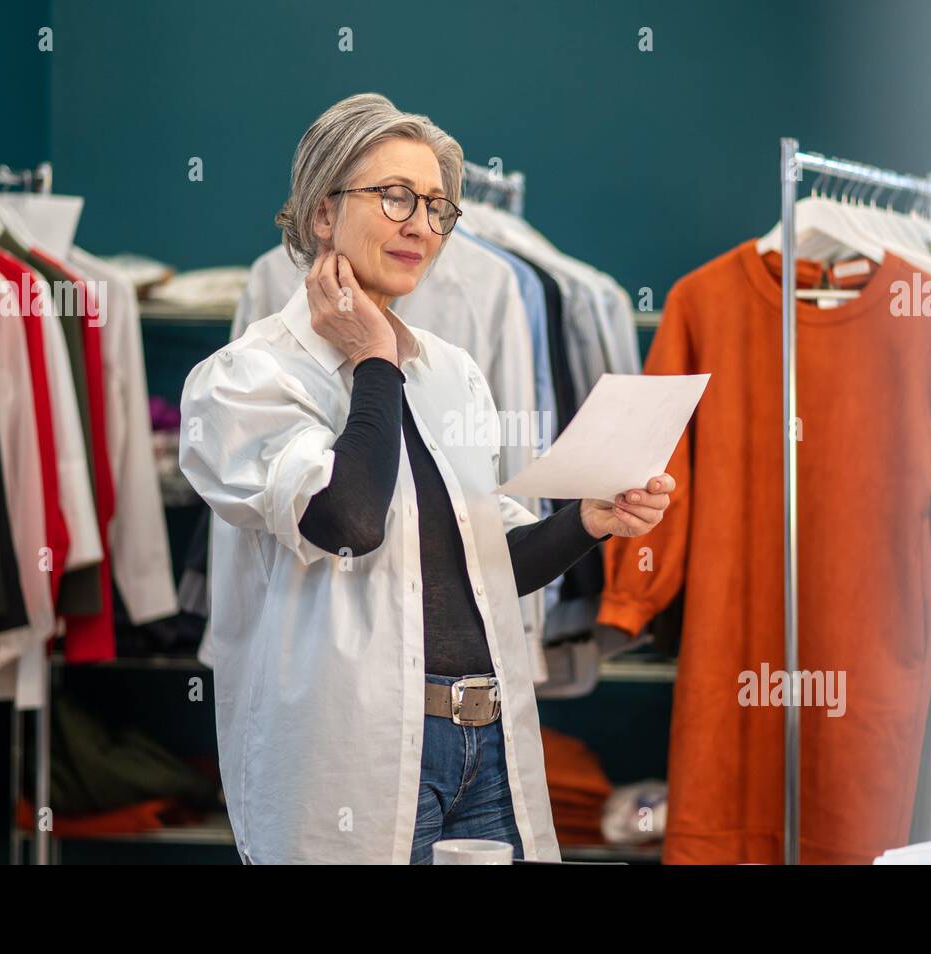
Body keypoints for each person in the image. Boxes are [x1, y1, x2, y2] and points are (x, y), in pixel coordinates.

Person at [179, 92, 675, 864]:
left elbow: (486, 564)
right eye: (396, 197)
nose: (422, 225)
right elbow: (347, 521)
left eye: (439, 207)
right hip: (354, 755)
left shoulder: (453, 373)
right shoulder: (242, 381)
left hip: (486, 747)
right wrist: (375, 360)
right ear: (320, 213)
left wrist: (589, 520)